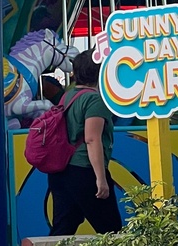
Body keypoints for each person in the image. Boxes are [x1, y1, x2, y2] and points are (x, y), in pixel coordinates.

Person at [48, 50, 123, 236]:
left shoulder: (68, 96)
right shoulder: (95, 99)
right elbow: (91, 138)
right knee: (111, 230)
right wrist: (101, 178)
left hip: (61, 170)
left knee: (63, 229)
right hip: (84, 170)